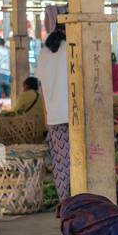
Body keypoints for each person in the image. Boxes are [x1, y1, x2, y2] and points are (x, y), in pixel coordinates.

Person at [38, 29, 70, 201]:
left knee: (60, 160)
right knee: (76, 158)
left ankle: (64, 200)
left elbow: (42, 88)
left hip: (54, 115)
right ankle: (77, 198)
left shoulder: (45, 52)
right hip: (74, 114)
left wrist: (46, 115)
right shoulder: (71, 48)